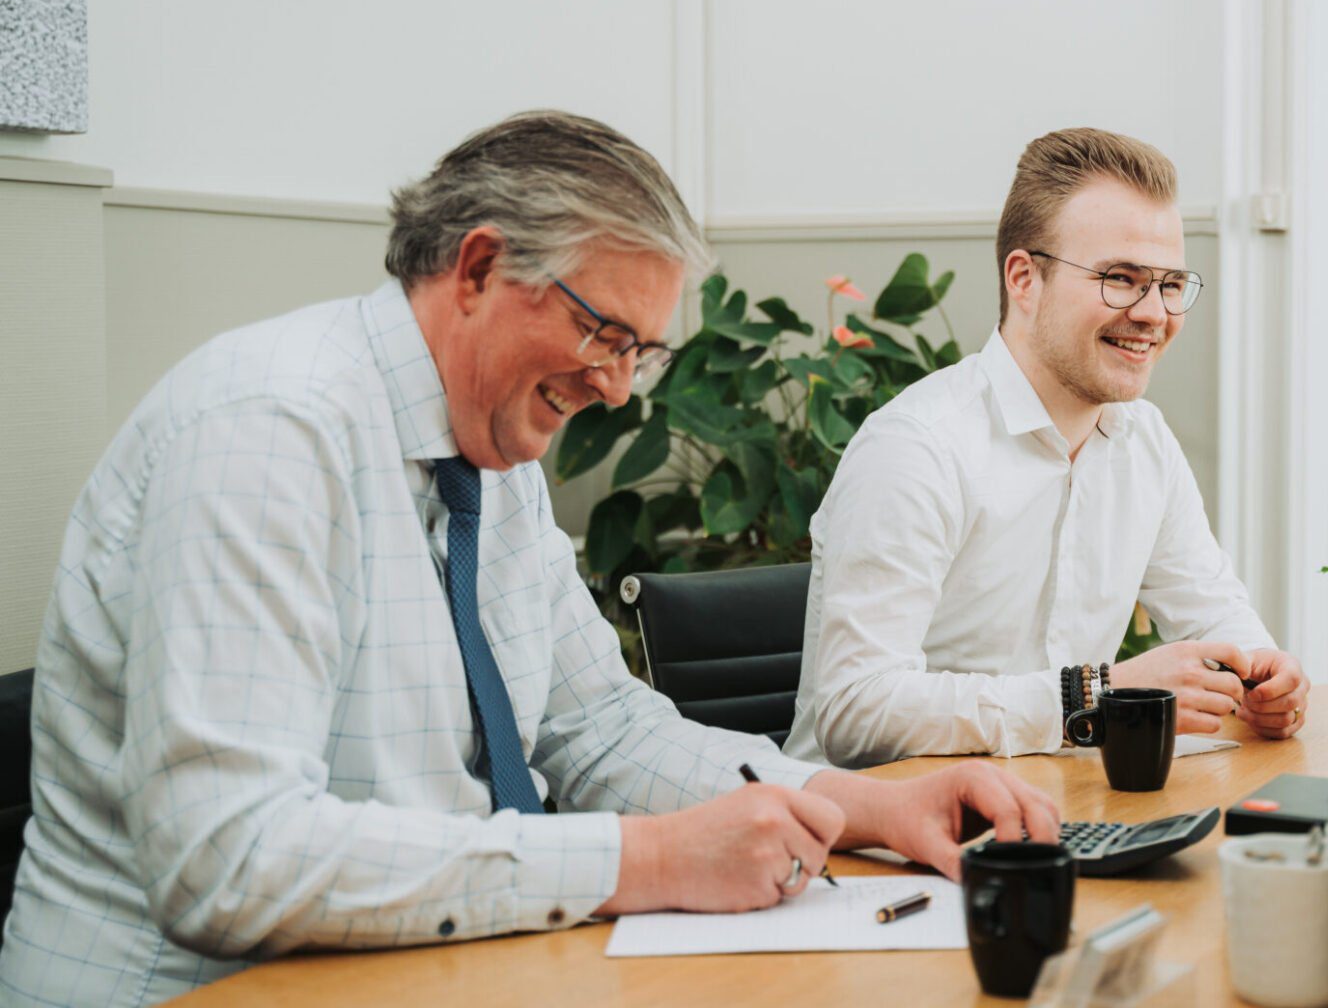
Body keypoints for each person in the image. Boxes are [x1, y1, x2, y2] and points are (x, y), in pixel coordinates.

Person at [0, 112, 1058, 1007]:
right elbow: (229, 860)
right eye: (606, 335)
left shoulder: (492, 456)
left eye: (641, 354)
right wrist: (643, 860)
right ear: (478, 269)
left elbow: (599, 727)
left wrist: (861, 805)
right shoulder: (269, 431)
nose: (619, 389)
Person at [784, 128, 1311, 769]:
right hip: (874, 823)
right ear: (1024, 279)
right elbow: (855, 710)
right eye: (1120, 278)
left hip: (1059, 807)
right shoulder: (915, 448)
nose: (1154, 313)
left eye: (1171, 284)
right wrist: (1090, 698)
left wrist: (1265, 680)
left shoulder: (1145, 442)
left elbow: (1215, 620)